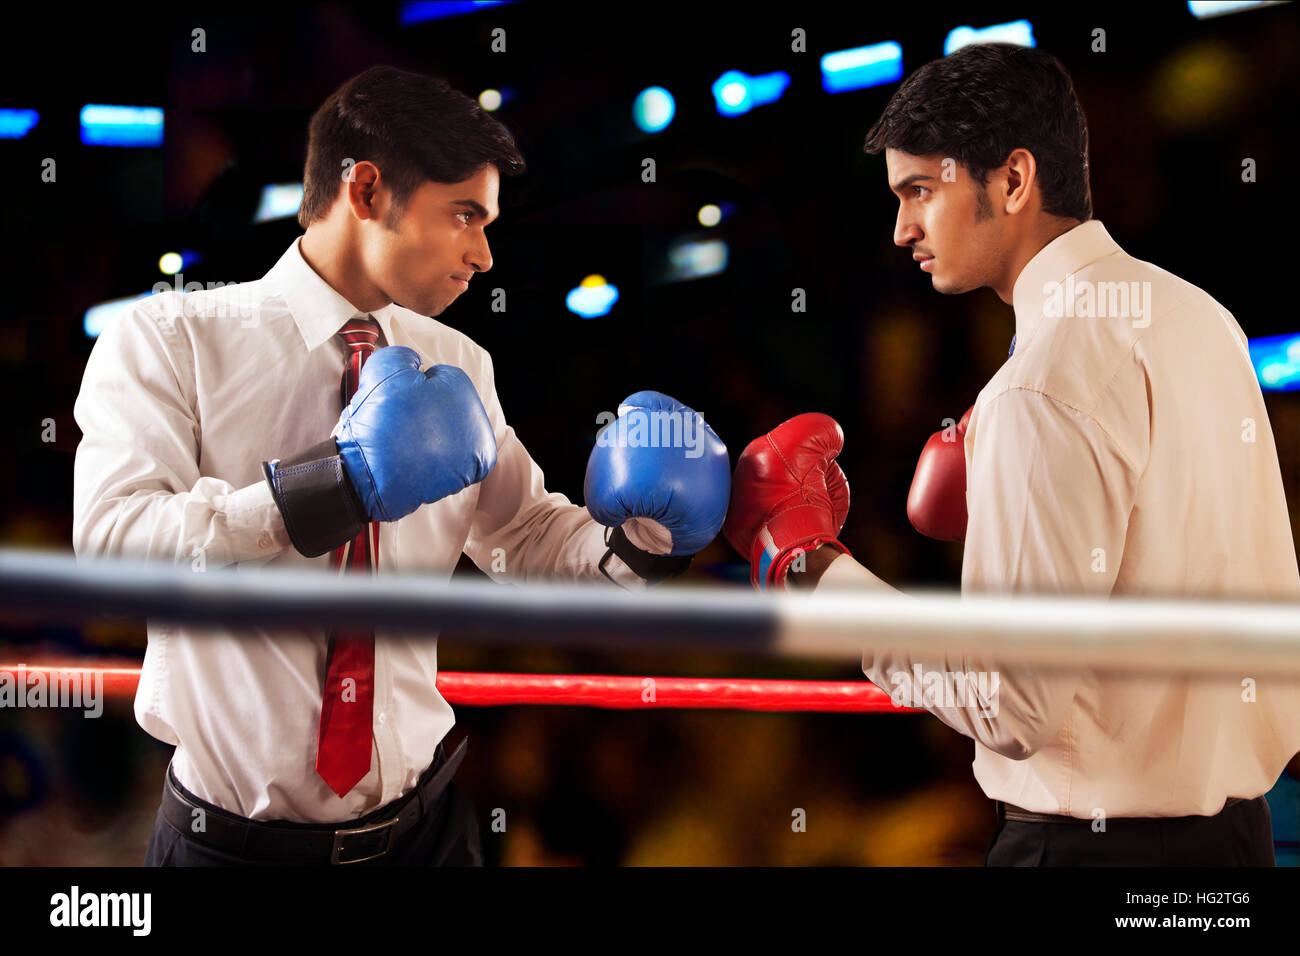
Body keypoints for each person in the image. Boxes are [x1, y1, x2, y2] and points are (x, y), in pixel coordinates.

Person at [71, 65, 730, 866]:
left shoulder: (458, 361)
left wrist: (643, 540)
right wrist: (332, 486)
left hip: (428, 836)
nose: (483, 255)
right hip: (230, 847)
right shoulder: (171, 339)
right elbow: (111, 548)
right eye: (464, 216)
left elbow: (525, 541)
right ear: (368, 190)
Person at [723, 43, 1300, 866]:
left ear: (1013, 180)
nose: (902, 228)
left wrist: (812, 568)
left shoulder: (1042, 386)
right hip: (1238, 845)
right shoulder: (1201, 317)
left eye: (921, 190)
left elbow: (1013, 703)